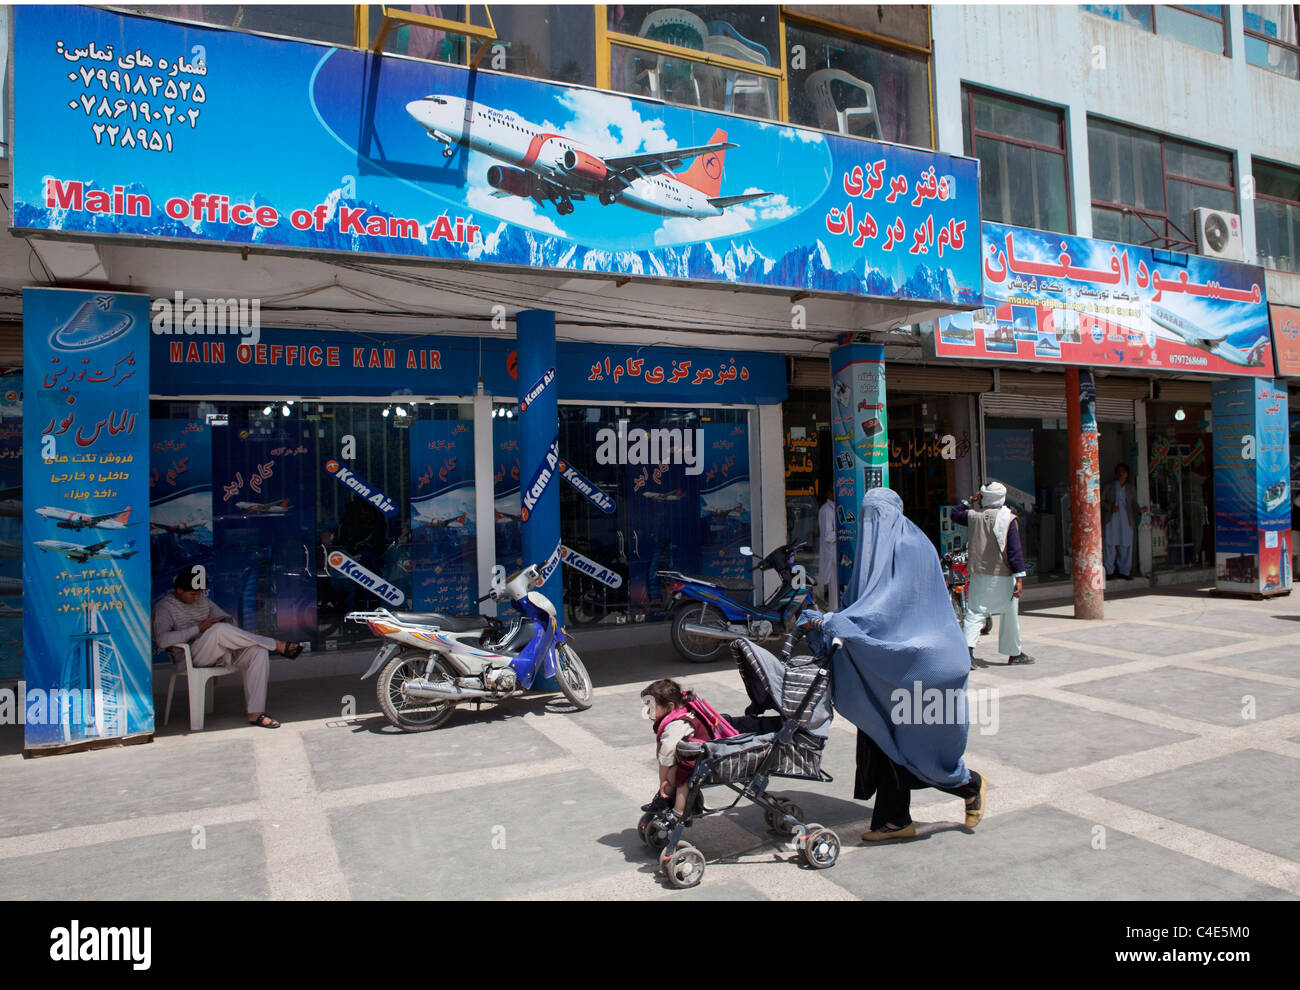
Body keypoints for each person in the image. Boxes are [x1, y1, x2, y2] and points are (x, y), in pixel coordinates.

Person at [804, 488, 986, 841]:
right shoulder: (876, 554)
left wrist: (837, 623)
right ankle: (895, 820)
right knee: (885, 739)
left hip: (924, 662)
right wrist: (835, 622)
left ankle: (968, 784)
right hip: (891, 662)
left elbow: (885, 610)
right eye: (867, 517)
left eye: (876, 517)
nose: (871, 526)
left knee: (913, 747)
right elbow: (865, 608)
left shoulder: (910, 548)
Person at [152, 565, 303, 729]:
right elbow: (162, 640)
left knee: (258, 652)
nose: (197, 598)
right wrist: (198, 629)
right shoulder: (165, 607)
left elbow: (230, 621)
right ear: (179, 590)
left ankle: (256, 713)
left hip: (218, 652)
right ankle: (277, 644)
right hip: (189, 657)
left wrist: (223, 621)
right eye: (193, 594)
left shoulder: (203, 601)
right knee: (219, 631)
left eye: (200, 593)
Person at [952, 481, 1035, 666]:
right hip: (1004, 575)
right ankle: (1014, 653)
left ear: (983, 497)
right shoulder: (1008, 518)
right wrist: (1019, 579)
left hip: (980, 573)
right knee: (1010, 614)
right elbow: (1015, 552)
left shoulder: (973, 516)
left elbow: (954, 514)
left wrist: (968, 501)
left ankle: (967, 654)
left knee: (974, 613)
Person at [639, 678, 707, 824]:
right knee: (675, 773)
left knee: (678, 777)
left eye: (651, 708)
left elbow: (666, 755)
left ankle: (678, 812)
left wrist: (663, 781)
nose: (648, 712)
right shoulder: (675, 715)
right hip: (692, 756)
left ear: (669, 706)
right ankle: (665, 799)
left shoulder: (676, 724)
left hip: (702, 759)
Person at [1101, 463, 1145, 580]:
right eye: (1119, 471)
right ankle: (1109, 572)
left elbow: (1134, 504)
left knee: (1126, 546)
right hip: (1111, 520)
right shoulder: (1109, 487)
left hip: (1126, 521)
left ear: (1127, 474)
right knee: (1109, 545)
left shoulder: (1131, 488)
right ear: (1116, 474)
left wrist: (1139, 510)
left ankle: (1124, 572)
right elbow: (1101, 501)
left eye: (1123, 471)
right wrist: (1110, 507)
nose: (1121, 473)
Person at [818, 481, 838, 609]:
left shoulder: (835, 508)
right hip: (831, 554)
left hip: (835, 553)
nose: (834, 493)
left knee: (836, 587)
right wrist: (842, 534)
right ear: (827, 493)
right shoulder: (826, 510)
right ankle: (833, 610)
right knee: (833, 587)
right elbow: (828, 535)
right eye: (831, 490)